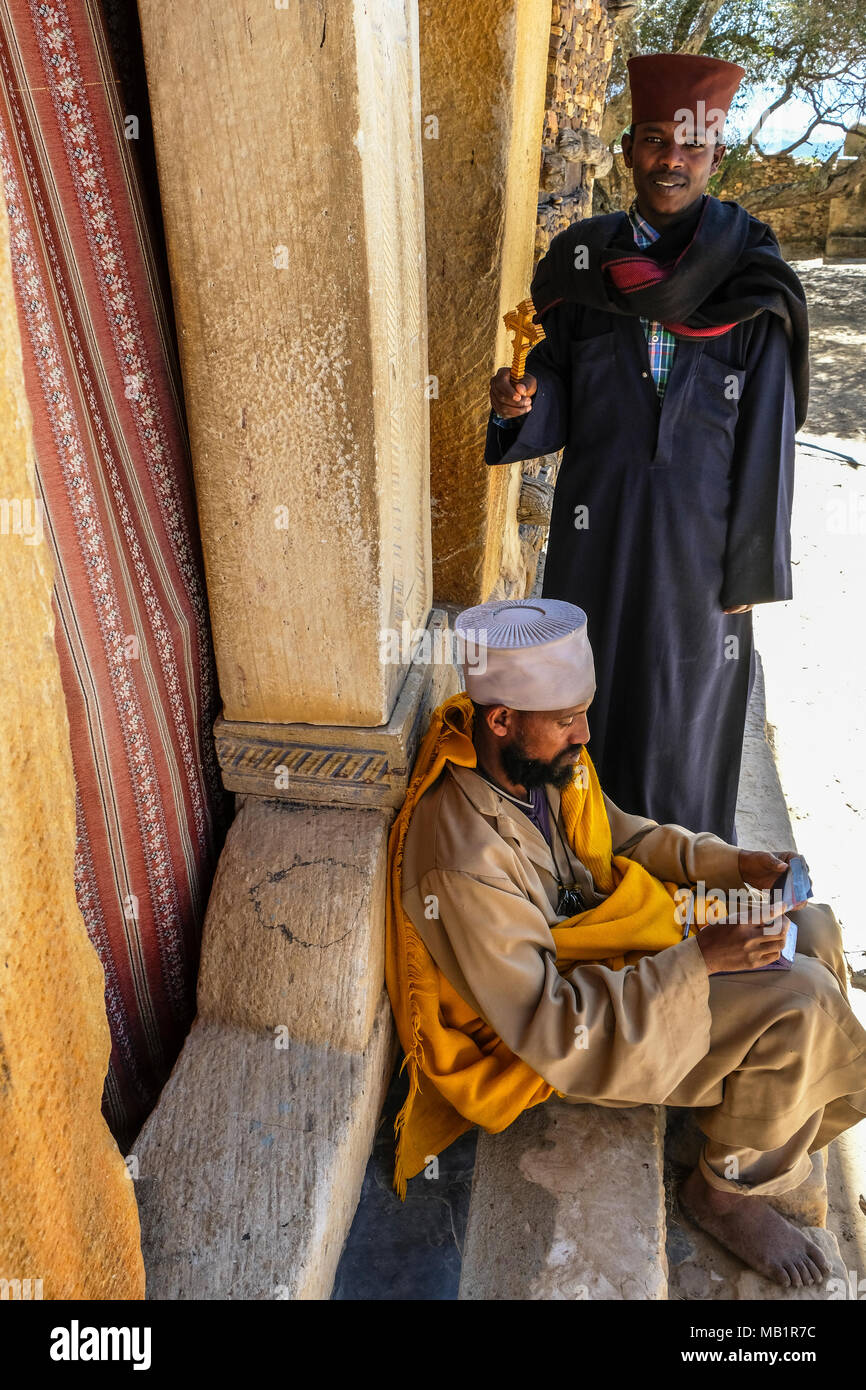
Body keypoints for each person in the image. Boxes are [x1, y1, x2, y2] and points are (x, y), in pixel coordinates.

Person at [384, 598, 866, 1289]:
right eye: (567, 719)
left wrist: (732, 865)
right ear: (501, 720)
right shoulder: (462, 860)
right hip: (562, 1035)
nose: (585, 732)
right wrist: (701, 960)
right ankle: (722, 1193)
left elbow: (621, 838)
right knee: (804, 1004)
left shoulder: (539, 761)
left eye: (584, 710)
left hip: (600, 948)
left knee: (811, 926)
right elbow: (549, 1025)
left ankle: (755, 1125)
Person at [486, 53, 809, 842]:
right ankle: (582, 878)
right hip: (596, 531)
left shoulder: (750, 270)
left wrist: (752, 564)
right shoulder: (583, 263)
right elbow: (555, 385)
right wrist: (522, 403)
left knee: (683, 720)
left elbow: (769, 425)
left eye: (691, 145)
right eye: (657, 140)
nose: (672, 159)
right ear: (629, 147)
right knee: (583, 704)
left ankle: (681, 893)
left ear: (715, 157)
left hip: (703, 553)